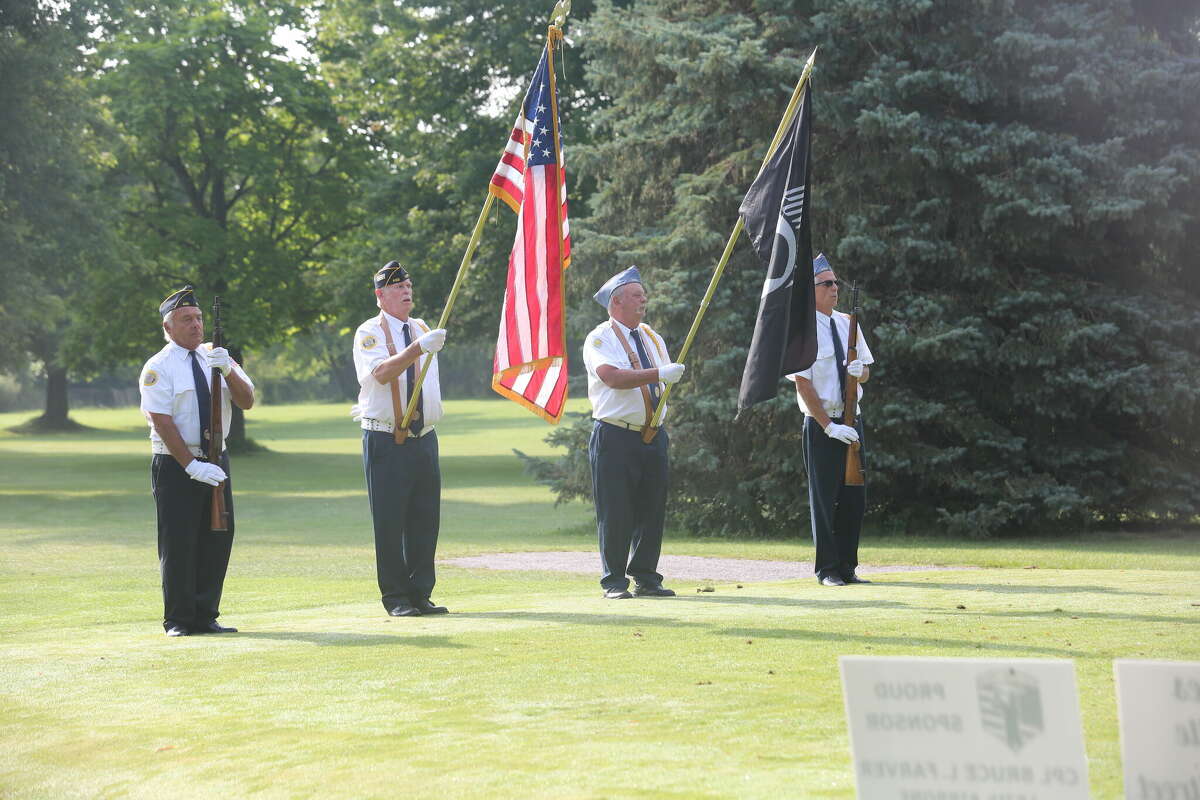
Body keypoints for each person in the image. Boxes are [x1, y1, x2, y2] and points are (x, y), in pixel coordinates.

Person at [139, 286, 255, 636]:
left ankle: (206, 615)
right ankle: (178, 619)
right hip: (177, 464)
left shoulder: (215, 357)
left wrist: (229, 370)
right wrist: (191, 466)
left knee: (218, 537)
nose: (195, 325)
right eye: (186, 319)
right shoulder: (158, 367)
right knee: (179, 542)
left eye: (199, 318)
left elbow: (247, 400)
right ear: (168, 327)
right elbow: (162, 421)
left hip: (217, 458)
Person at [352, 261, 449, 617]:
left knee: (425, 519)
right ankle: (395, 597)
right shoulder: (370, 331)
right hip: (387, 439)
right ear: (380, 295)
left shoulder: (420, 327)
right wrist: (418, 349)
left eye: (408, 286)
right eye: (397, 288)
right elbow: (381, 373)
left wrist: (421, 342)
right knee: (390, 521)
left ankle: (420, 593)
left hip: (424, 437)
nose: (406, 292)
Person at [583, 266, 686, 599]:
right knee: (616, 510)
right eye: (636, 295)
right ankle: (614, 581)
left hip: (652, 432)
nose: (644, 299)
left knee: (651, 509)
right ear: (617, 302)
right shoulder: (600, 338)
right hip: (615, 435)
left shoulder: (651, 336)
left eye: (643, 294)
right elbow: (612, 377)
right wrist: (659, 373)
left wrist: (664, 375)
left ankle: (646, 577)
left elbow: (663, 376)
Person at [788, 253, 875, 586]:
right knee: (824, 499)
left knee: (854, 497)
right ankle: (827, 569)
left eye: (836, 282)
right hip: (823, 424)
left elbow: (865, 372)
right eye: (826, 284)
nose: (834, 288)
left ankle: (848, 567)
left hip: (853, 420)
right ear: (810, 290)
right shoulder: (802, 331)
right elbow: (803, 383)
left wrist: (860, 371)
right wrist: (828, 425)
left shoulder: (848, 323)